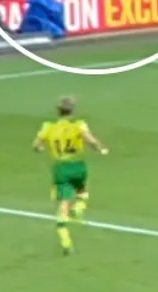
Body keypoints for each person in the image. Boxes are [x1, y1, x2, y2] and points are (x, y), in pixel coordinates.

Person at [32, 96, 109, 255]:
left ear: (58, 111)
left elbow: (36, 145)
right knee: (82, 190)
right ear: (72, 110)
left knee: (64, 203)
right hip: (78, 166)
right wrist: (101, 149)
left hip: (61, 167)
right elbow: (91, 141)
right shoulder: (79, 125)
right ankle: (80, 207)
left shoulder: (48, 127)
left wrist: (40, 149)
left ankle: (65, 239)